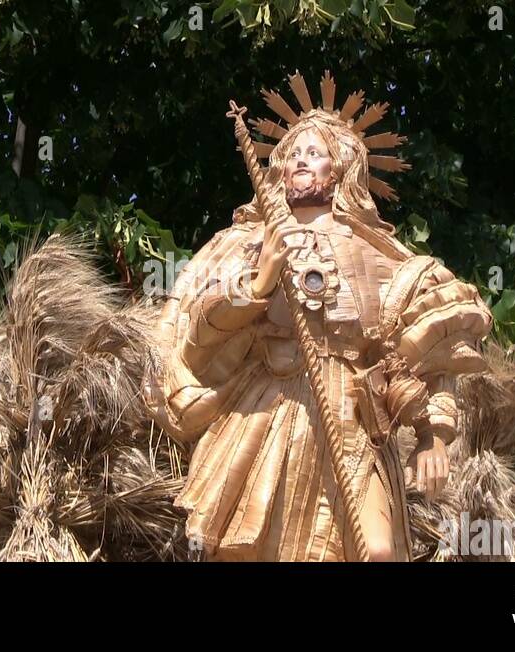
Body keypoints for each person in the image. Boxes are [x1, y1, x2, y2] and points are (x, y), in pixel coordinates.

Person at [146, 73, 493, 561]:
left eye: (314, 152)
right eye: (291, 153)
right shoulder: (243, 241)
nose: (298, 160)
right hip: (266, 408)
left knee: (376, 551)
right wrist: (259, 281)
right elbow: (198, 330)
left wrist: (433, 437)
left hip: (353, 415)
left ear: (342, 168)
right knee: (243, 546)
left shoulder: (382, 256)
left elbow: (427, 345)